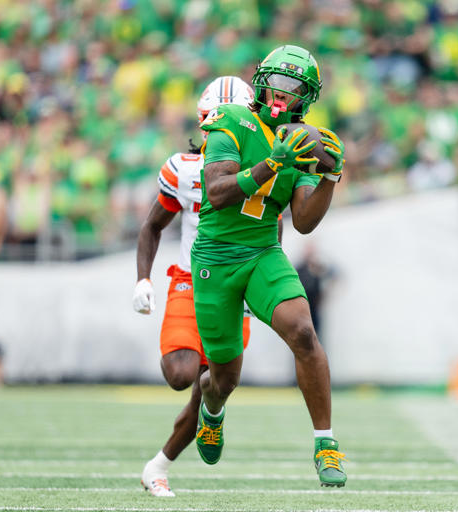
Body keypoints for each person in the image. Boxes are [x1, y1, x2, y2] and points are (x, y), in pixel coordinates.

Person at [191, 45, 347, 487]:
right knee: (224, 377)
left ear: (306, 98)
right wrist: (272, 163)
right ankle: (212, 411)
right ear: (261, 81)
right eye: (277, 80)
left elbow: (304, 221)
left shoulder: (304, 140)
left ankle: (326, 444)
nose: (282, 92)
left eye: (294, 87)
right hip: (217, 256)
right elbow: (218, 192)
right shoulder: (231, 120)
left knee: (303, 332)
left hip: (262, 251)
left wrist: (330, 177)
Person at [133, 76, 255, 497]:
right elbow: (152, 225)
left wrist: (256, 287)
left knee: (210, 392)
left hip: (235, 287)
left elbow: (273, 231)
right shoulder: (184, 169)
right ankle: (170, 453)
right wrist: (143, 278)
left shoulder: (260, 169)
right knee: (181, 374)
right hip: (191, 280)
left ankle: (157, 467)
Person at [295, 243, 336, 335]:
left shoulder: (319, 265)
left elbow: (333, 275)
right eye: (308, 250)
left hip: (315, 308)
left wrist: (326, 294)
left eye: (311, 250)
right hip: (302, 309)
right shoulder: (299, 267)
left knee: (316, 335)